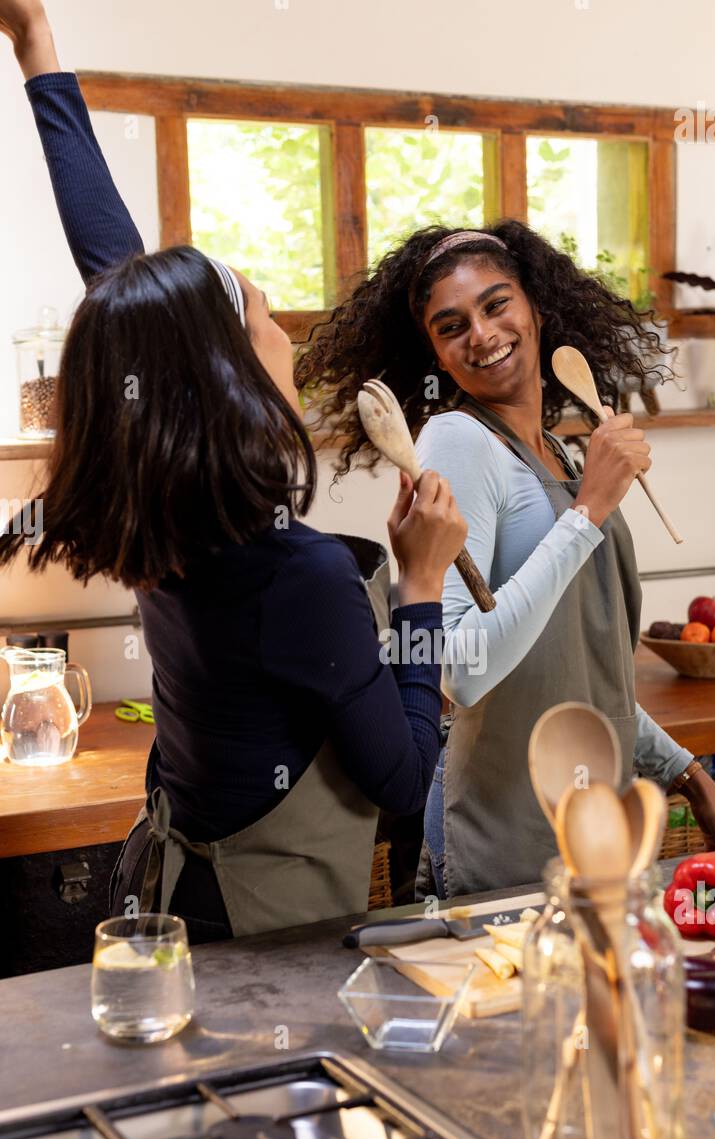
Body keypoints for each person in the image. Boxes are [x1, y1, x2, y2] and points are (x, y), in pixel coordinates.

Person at [0, 0, 467, 939]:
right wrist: (420, 590)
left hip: (182, 891)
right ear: (226, 376)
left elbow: (115, 278)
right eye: (261, 317)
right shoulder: (299, 573)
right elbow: (408, 777)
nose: (282, 333)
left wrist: (35, 46)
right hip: (268, 932)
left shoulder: (160, 503)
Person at [299, 225, 715, 898]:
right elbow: (463, 672)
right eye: (451, 327)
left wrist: (688, 774)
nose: (479, 333)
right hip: (501, 826)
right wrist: (588, 511)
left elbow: (578, 672)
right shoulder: (459, 443)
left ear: (536, 307)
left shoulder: (564, 454)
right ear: (436, 356)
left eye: (494, 304)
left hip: (591, 816)